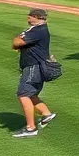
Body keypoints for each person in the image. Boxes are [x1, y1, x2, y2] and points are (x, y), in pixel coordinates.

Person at [11, 8, 56, 138]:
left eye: (30, 16)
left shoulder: (37, 30)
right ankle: (46, 114)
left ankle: (31, 128)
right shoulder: (39, 30)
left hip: (33, 67)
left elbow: (17, 42)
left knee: (23, 95)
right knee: (31, 94)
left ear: (37, 17)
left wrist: (17, 41)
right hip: (36, 67)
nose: (28, 18)